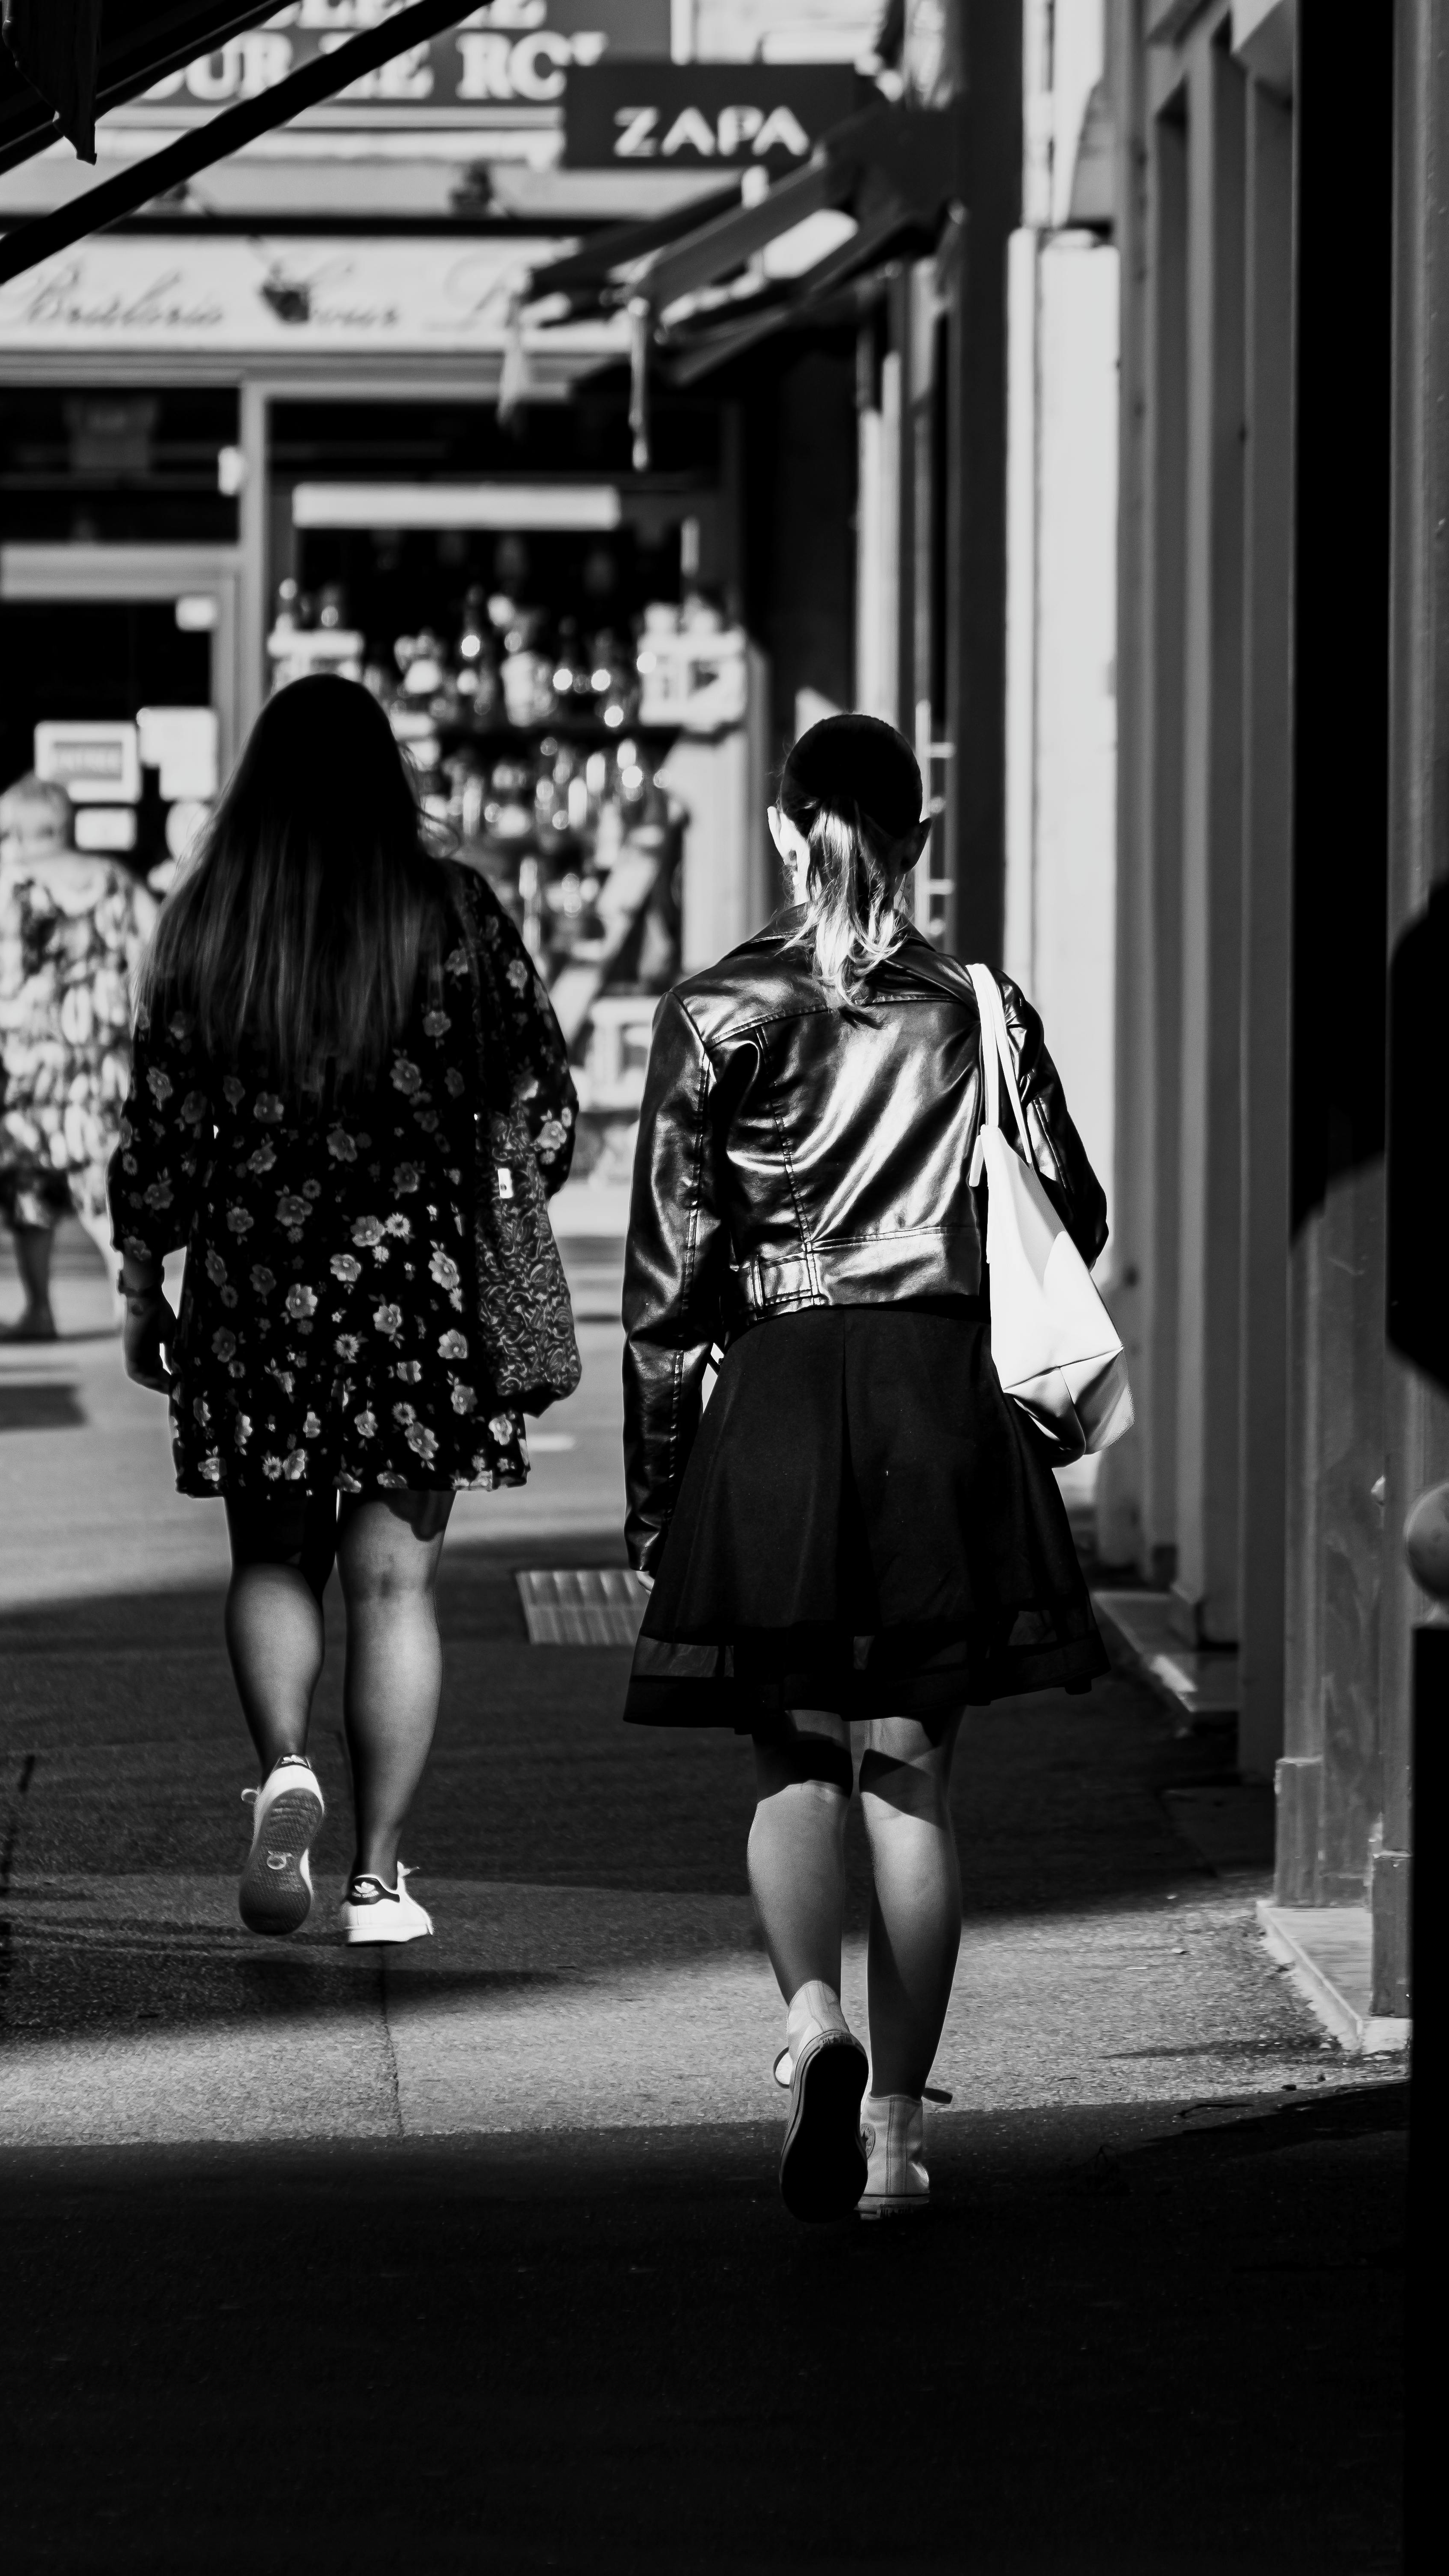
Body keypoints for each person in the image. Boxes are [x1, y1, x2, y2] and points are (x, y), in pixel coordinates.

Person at [621, 714, 1110, 2224]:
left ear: (782, 832)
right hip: (936, 1395)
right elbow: (1071, 1213)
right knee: (911, 1770)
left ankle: (809, 2027)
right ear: (919, 837)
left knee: (792, 1751)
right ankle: (894, 2134)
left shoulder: (719, 1007)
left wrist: (657, 1496)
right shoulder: (981, 1005)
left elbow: (669, 1278)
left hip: (777, 1389)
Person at [109, 674, 575, 1946]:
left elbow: (159, 1126)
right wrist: (507, 1187)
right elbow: (541, 1096)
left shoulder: (210, 920)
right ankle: (378, 1876)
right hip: (417, 1293)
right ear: (388, 775)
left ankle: (283, 1768)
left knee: (273, 1560)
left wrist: (144, 1272)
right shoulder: (453, 910)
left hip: (260, 1289)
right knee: (393, 1593)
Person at [0, 773, 155, 1339]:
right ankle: (128, 1303)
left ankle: (39, 1310)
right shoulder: (118, 883)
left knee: (29, 1189)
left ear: (19, 830)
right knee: (108, 1188)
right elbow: (157, 971)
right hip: (102, 1067)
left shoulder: (5, 888)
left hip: (26, 1072)